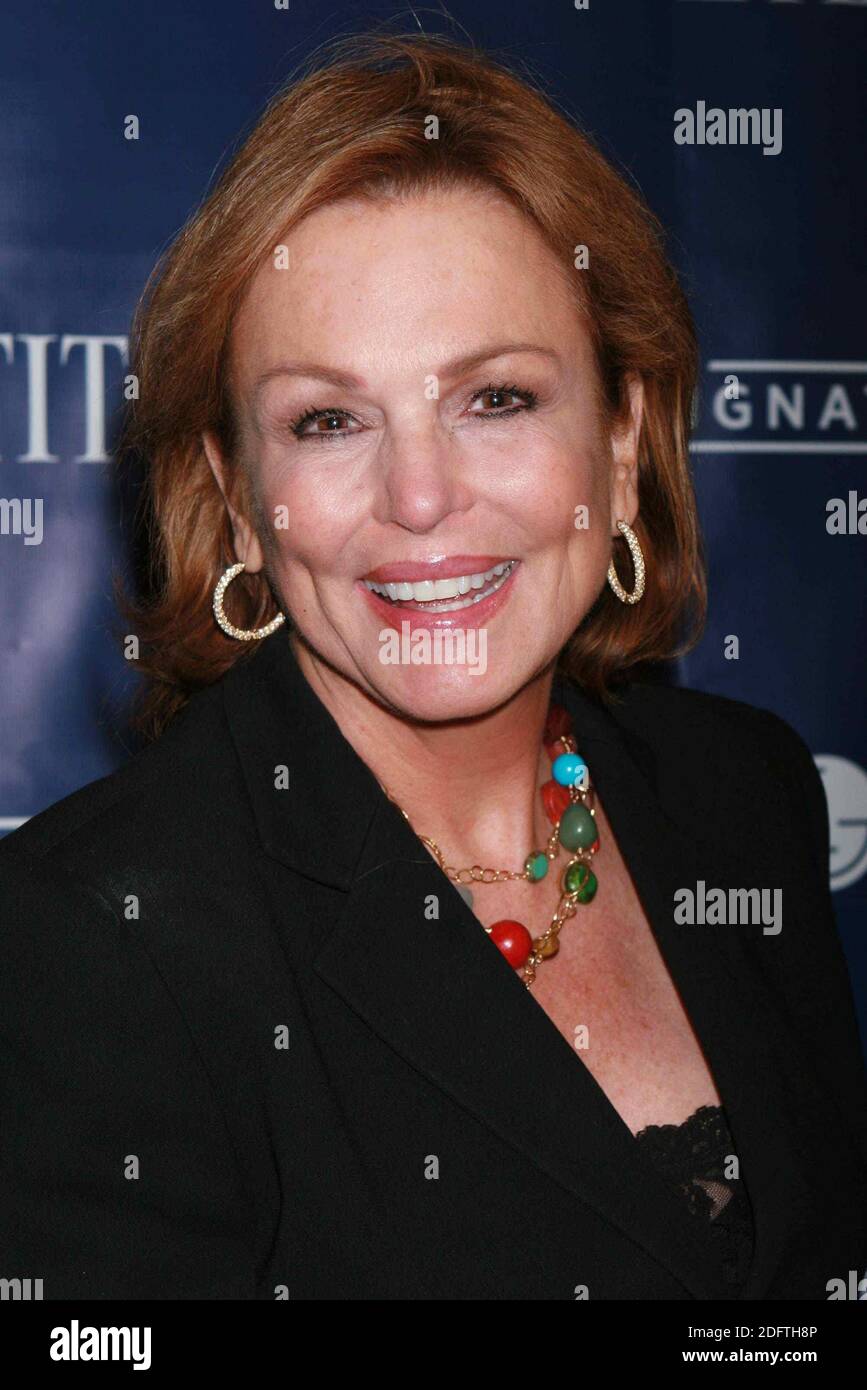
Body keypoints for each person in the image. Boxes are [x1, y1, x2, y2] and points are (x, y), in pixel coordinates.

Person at [1, 31, 865, 1301]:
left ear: (623, 442)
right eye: (329, 421)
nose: (419, 496)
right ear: (240, 503)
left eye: (497, 398)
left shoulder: (748, 793)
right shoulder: (92, 940)